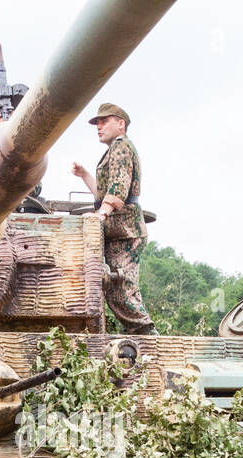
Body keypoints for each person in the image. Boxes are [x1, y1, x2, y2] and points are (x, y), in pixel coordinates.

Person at [71, 103, 154, 335]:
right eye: (97, 123)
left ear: (121, 124)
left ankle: (147, 335)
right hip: (119, 231)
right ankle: (138, 333)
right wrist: (85, 174)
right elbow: (102, 193)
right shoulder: (113, 150)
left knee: (121, 289)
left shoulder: (121, 146)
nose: (98, 126)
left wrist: (101, 215)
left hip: (125, 229)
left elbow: (118, 189)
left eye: (104, 121)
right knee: (115, 288)